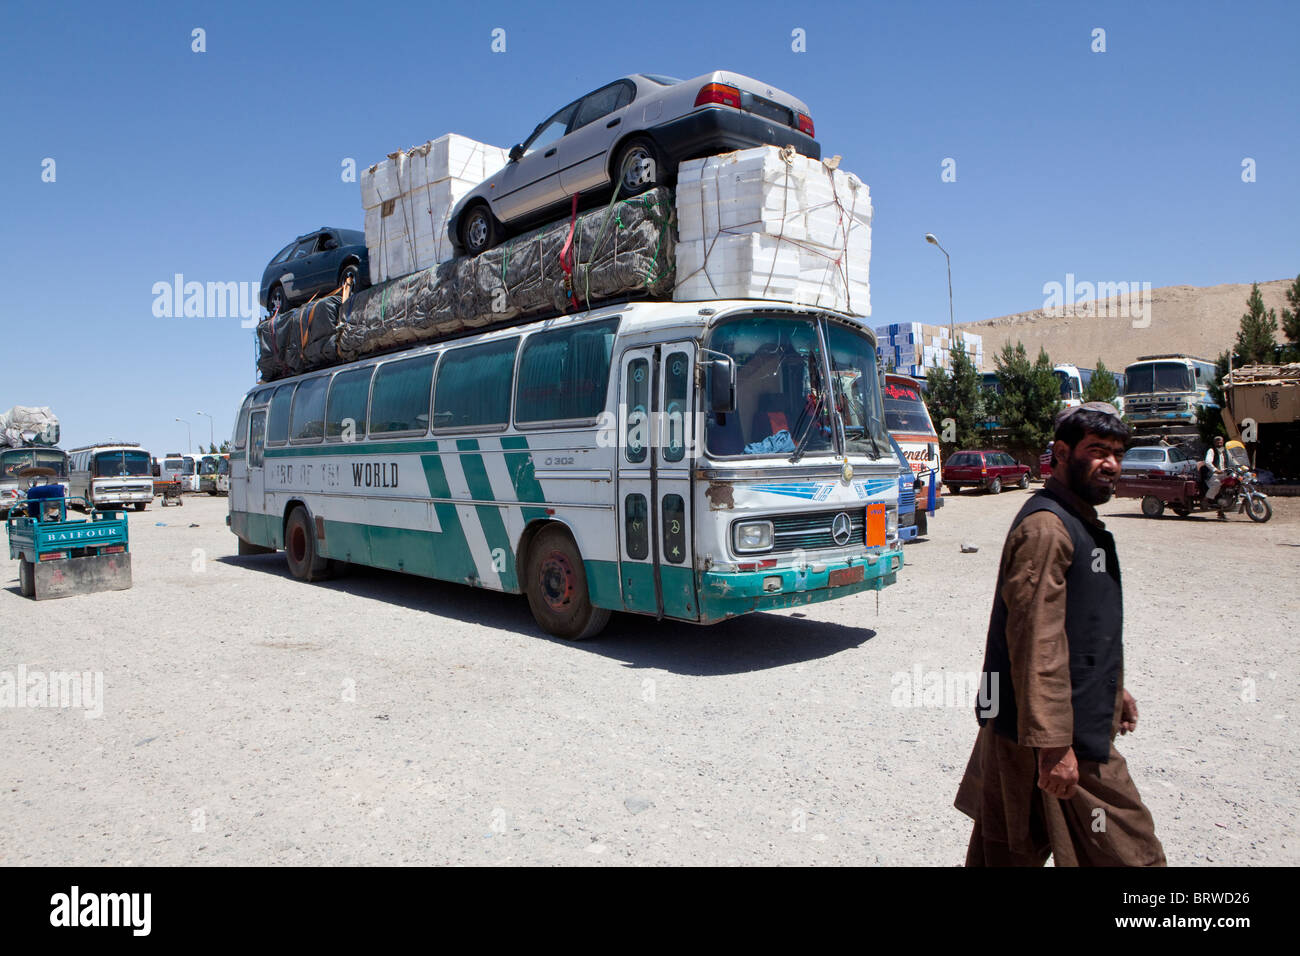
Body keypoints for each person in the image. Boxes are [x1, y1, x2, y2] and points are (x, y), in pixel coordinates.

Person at [955, 402, 1166, 866]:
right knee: (1133, 855)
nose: (1111, 464)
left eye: (1117, 453)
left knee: (1006, 853)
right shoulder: (1047, 529)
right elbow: (1036, 643)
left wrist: (1113, 689)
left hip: (1044, 727)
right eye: (1097, 451)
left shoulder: (1076, 521)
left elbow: (1077, 630)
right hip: (1053, 740)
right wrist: (1054, 749)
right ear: (1062, 452)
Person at [1203, 435, 1228, 519]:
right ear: (1214, 443)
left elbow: (1232, 460)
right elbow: (1207, 462)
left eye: (1220, 441)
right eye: (1217, 442)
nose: (1219, 443)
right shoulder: (1211, 450)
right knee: (1217, 484)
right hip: (1213, 474)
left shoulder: (1226, 451)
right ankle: (1206, 500)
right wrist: (1215, 469)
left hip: (1225, 473)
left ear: (1223, 442)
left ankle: (1230, 503)